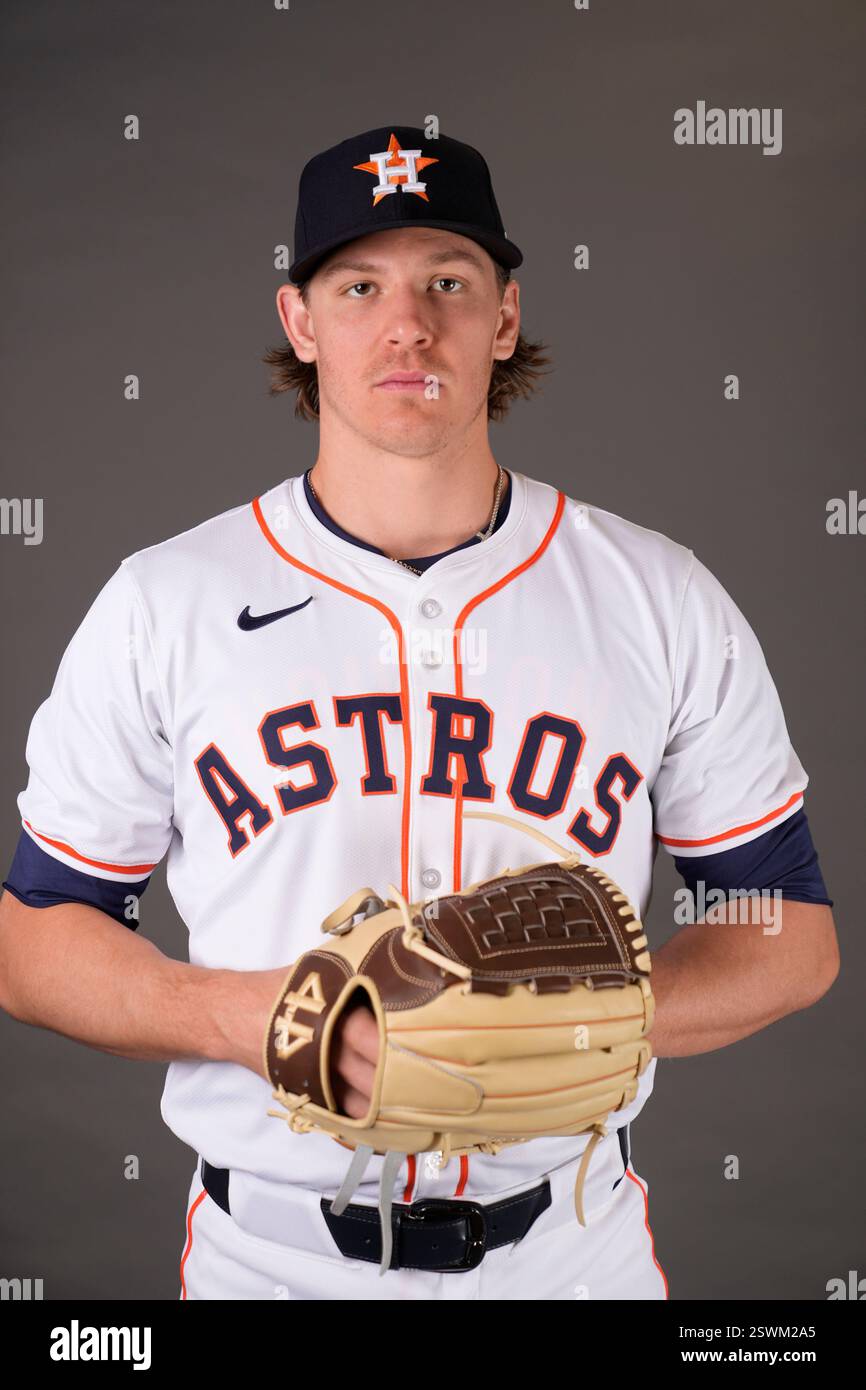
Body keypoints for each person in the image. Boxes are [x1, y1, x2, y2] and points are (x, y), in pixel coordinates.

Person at [0, 126, 839, 1300]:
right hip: (269, 1261)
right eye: (360, 285)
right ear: (301, 323)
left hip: (567, 1257)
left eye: (447, 281)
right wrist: (268, 1018)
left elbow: (783, 930)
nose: (407, 324)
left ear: (503, 317)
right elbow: (35, 936)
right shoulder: (166, 602)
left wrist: (586, 1022)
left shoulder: (657, 596)